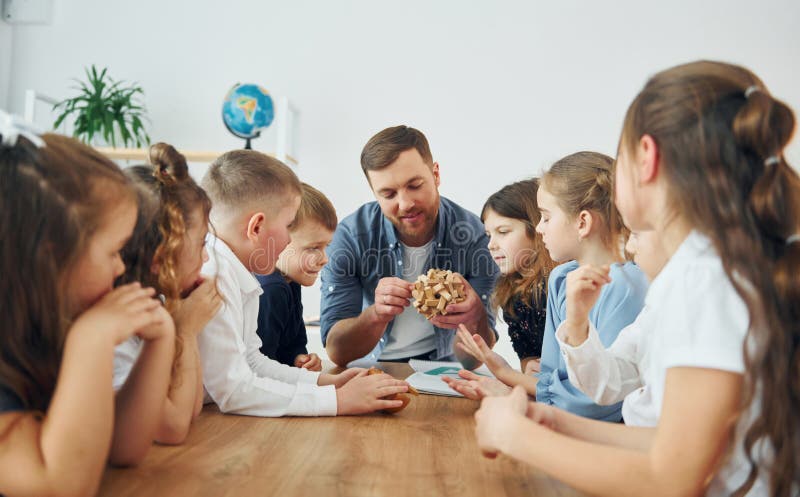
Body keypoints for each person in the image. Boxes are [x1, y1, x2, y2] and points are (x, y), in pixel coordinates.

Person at [472, 60, 800, 497]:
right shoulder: (698, 272)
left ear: (646, 157)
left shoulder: (705, 281)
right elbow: (671, 442)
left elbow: (670, 477)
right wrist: (553, 422)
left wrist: (514, 436)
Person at [0, 116, 170, 496]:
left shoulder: (48, 331)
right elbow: (58, 487)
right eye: (113, 251)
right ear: (51, 257)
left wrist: (161, 341)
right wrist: (91, 340)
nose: (122, 267)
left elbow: (122, 447)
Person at [199, 149, 409, 417]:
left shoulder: (240, 274)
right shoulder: (214, 273)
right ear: (256, 227)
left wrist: (325, 382)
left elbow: (253, 363)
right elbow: (234, 390)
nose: (289, 241)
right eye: (288, 225)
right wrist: (337, 401)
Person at [449, 152, 648, 422]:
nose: (539, 228)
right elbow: (553, 376)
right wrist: (511, 378)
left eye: (545, 217)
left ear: (583, 222)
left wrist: (511, 381)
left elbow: (599, 403)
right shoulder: (561, 279)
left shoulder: (625, 287)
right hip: (562, 422)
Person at [321, 125, 499, 368]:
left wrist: (475, 313)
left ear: (436, 175)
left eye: (414, 186)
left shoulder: (476, 236)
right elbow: (337, 352)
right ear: (374, 193)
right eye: (388, 194)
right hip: (369, 367)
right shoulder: (350, 237)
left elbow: (471, 362)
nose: (405, 204)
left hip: (440, 367)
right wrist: (376, 314)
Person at [114, 143, 222, 445]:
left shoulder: (155, 302)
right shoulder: (118, 325)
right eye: (201, 244)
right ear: (161, 256)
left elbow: (192, 406)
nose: (205, 259)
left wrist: (183, 321)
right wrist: (185, 331)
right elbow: (172, 427)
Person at [256, 183, 337, 372]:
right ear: (277, 238)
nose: (325, 259)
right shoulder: (271, 289)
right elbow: (261, 368)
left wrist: (297, 357)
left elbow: (292, 343)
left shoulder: (290, 282)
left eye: (326, 247)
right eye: (313, 248)